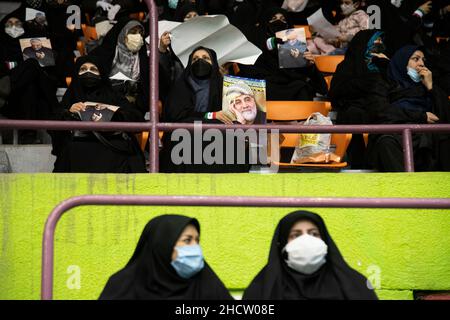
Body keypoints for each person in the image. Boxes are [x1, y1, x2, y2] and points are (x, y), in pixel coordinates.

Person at [243, 210, 378, 300]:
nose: (306, 240)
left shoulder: (355, 286)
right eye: (296, 235)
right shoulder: (261, 291)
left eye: (314, 234)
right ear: (282, 243)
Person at [160, 46, 251, 173]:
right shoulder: (181, 85)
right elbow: (176, 115)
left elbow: (229, 115)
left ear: (213, 63)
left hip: (215, 130)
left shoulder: (223, 85)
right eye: (195, 59)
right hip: (185, 129)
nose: (200, 61)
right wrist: (210, 115)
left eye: (205, 58)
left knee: (233, 131)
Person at [99, 214, 233, 300]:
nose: (195, 248)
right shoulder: (122, 286)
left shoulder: (205, 283)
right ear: (162, 245)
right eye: (187, 241)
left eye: (197, 241)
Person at [51, 55, 147, 173]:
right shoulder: (71, 96)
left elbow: (136, 118)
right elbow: (54, 122)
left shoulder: (113, 95)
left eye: (93, 69)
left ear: (101, 73)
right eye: (83, 69)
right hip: (79, 145)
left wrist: (114, 112)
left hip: (112, 144)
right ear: (76, 74)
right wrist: (68, 112)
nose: (88, 72)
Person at [367, 45, 450, 171]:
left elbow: (445, 114)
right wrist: (421, 116)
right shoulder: (385, 85)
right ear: (402, 62)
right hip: (396, 136)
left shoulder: (428, 88)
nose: (421, 64)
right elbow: (382, 113)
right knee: (386, 142)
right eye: (416, 59)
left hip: (426, 139)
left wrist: (431, 88)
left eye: (423, 60)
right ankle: (406, 187)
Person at [329, 29, 391, 168]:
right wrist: (368, 82)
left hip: (381, 107)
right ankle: (360, 164)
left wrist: (388, 66)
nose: (380, 43)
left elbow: (395, 90)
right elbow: (336, 94)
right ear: (364, 43)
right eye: (376, 40)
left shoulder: (384, 65)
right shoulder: (346, 66)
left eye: (381, 40)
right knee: (355, 114)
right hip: (355, 108)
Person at [240, 7, 327, 101]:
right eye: (273, 19)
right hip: (263, 92)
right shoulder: (254, 47)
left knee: (302, 87)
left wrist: (310, 67)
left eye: (283, 20)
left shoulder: (296, 47)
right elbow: (248, 76)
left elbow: (322, 88)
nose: (278, 23)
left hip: (294, 91)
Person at [0, 15, 59, 142]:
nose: (14, 26)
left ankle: (28, 135)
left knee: (30, 86)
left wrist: (48, 58)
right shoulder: (1, 48)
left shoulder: (29, 47)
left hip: (25, 98)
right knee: (32, 64)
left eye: (18, 23)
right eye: (9, 24)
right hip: (9, 101)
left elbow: (48, 74)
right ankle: (55, 107)